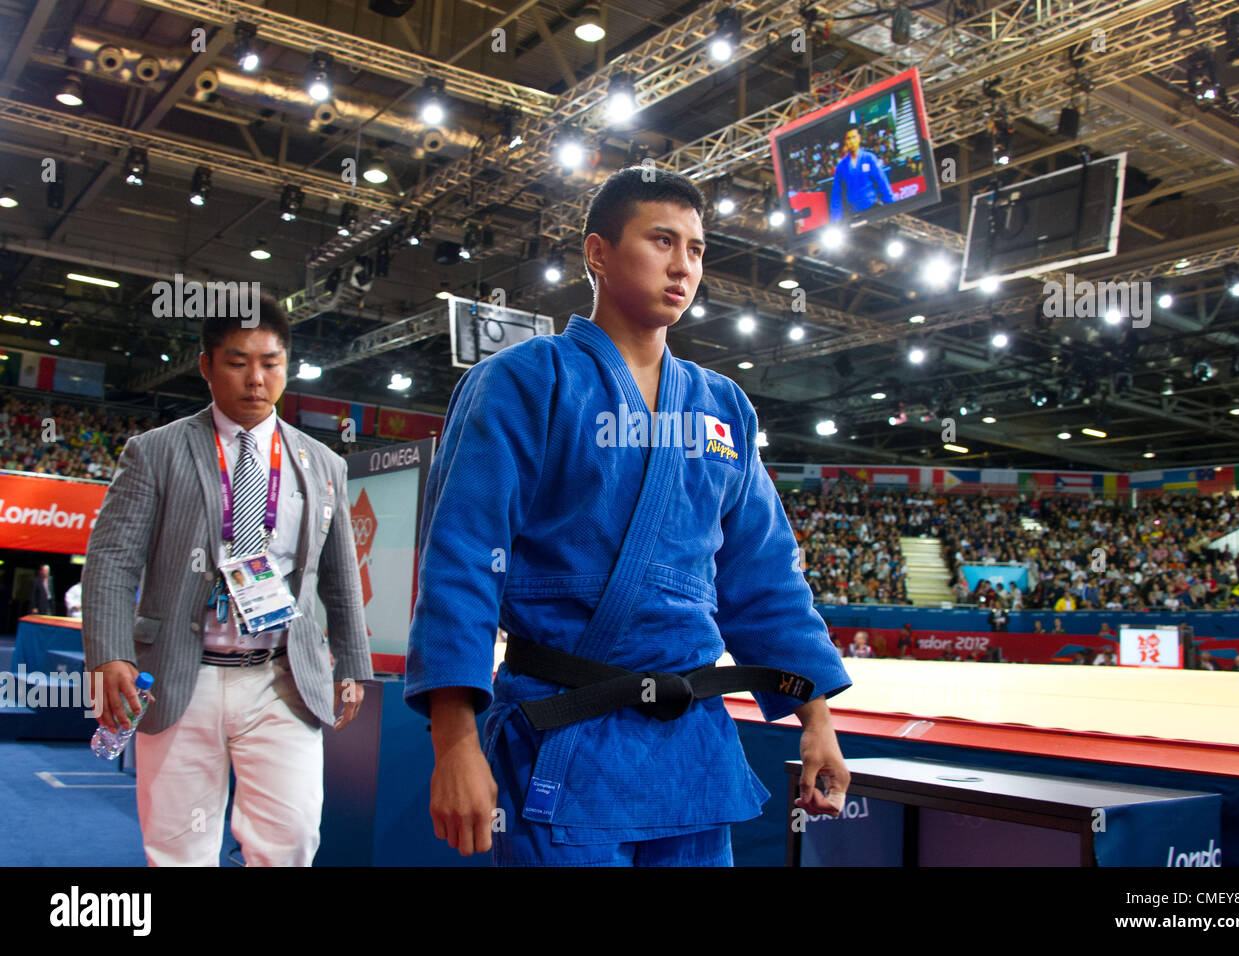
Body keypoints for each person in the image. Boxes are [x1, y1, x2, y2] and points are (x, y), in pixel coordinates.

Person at [405, 167, 852, 867]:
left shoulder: (723, 407)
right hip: (564, 734)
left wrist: (815, 716)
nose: (683, 265)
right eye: (662, 240)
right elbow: (463, 561)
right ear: (598, 253)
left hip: (691, 750)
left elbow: (763, 578)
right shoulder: (525, 381)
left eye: (698, 250)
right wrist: (455, 742)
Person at [81, 293, 373, 867]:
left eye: (270, 363)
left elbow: (340, 577)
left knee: (290, 840)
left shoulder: (324, 464)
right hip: (178, 675)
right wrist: (109, 654)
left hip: (281, 680)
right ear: (206, 365)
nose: (256, 379)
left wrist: (354, 666)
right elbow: (112, 560)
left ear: (286, 367)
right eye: (238, 362)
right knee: (178, 847)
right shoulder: (155, 452)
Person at [828, 127, 895, 222]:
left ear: (859, 138)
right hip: (854, 214)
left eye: (854, 137)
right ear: (845, 141)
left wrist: (891, 206)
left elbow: (882, 183)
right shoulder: (841, 166)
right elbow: (836, 195)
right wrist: (835, 220)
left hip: (873, 207)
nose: (852, 141)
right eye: (848, 138)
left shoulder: (869, 158)